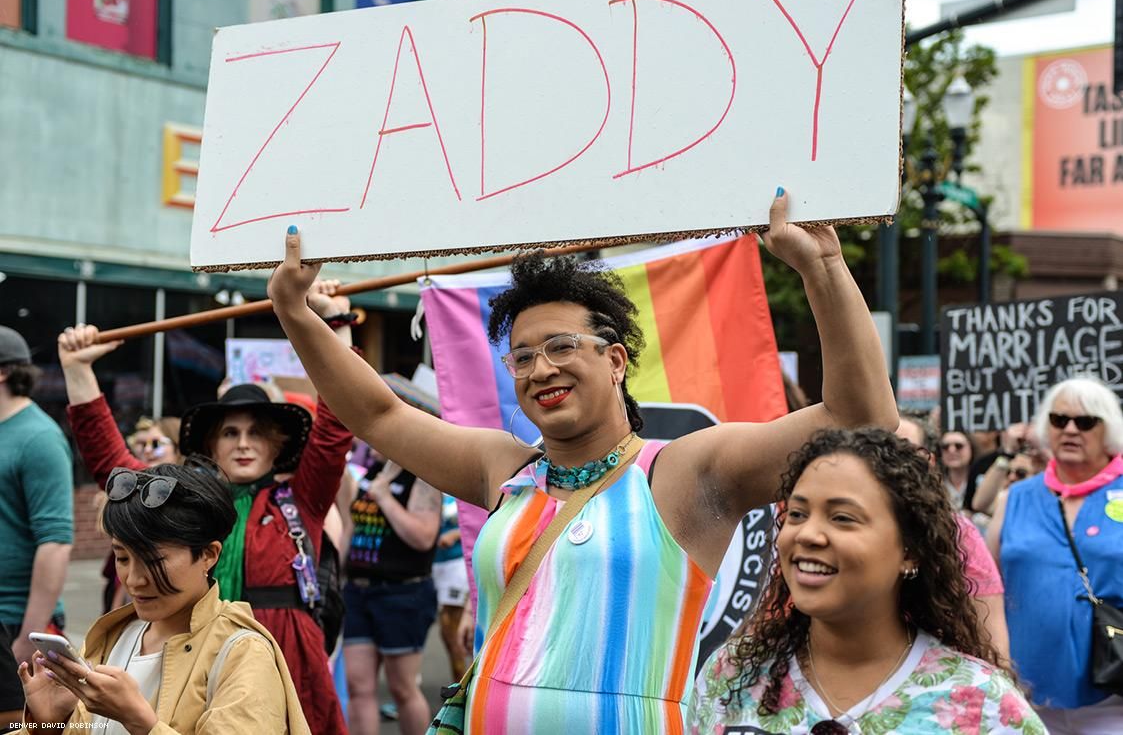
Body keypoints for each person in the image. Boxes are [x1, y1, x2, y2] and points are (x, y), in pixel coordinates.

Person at [267, 190, 898, 732]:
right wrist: (295, 314)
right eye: (522, 356)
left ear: (617, 360)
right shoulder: (505, 469)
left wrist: (824, 268)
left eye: (562, 346)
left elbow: (860, 419)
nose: (541, 368)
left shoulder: (683, 472)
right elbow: (380, 416)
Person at [57, 281, 354, 734]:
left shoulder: (300, 498)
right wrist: (77, 372)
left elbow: (337, 425)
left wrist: (335, 324)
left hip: (290, 654)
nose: (244, 443)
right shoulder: (184, 501)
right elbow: (115, 470)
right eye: (230, 432)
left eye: (257, 433)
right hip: (193, 647)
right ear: (212, 443)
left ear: (277, 445)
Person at [688, 428, 1042, 734]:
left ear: (910, 551)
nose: (808, 534)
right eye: (797, 514)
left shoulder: (984, 705)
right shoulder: (731, 676)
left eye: (842, 518)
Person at [18, 460, 310, 734]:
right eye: (122, 557)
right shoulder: (112, 636)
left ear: (209, 555)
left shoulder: (242, 653)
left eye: (154, 561)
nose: (134, 579)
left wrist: (142, 723)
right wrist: (49, 723)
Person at [987, 377, 1123, 733]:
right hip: (1026, 692)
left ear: (1108, 428)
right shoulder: (1014, 497)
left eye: (1086, 421)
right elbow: (985, 588)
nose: (1071, 429)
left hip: (1112, 696)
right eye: (1059, 420)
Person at [338, 454, 441, 735]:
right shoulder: (372, 471)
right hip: (357, 592)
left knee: (402, 687)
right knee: (358, 686)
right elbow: (351, 526)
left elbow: (423, 536)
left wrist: (384, 497)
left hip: (402, 592)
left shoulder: (421, 475)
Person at [895, 414, 1010, 663]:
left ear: (928, 460)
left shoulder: (957, 532)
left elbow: (993, 647)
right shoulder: (835, 528)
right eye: (878, 447)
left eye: (902, 449)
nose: (887, 460)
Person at [0, 326, 73, 671]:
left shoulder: (40, 438)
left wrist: (29, 635)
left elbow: (55, 543)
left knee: (20, 728)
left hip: (12, 620)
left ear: (3, 372)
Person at [102, 416, 183, 613]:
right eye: (140, 444)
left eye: (156, 444)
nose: (147, 450)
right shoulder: (128, 487)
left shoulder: (189, 499)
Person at [433, 494, 470, 682]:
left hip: (456, 564)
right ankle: (460, 684)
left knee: (452, 630)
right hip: (433, 565)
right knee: (447, 634)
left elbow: (479, 522)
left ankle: (461, 689)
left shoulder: (460, 488)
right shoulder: (429, 484)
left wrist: (455, 534)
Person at [939, 429, 975, 511]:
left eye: (958, 446)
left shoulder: (982, 480)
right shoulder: (935, 483)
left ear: (971, 448)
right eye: (945, 447)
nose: (951, 450)